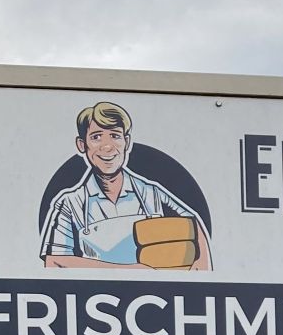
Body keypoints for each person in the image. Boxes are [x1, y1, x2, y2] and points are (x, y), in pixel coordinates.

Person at [40, 101, 211, 269]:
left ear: (126, 142)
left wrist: (201, 277)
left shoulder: (151, 193)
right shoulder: (70, 203)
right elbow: (55, 261)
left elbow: (194, 225)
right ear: (82, 145)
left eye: (115, 135)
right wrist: (133, 271)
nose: (107, 146)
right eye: (96, 137)